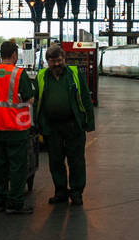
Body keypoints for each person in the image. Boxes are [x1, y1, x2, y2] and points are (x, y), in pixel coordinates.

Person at [35, 43, 96, 206]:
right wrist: (38, 124)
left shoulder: (74, 74)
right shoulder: (42, 76)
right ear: (47, 61)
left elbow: (85, 98)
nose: (56, 64)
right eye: (52, 61)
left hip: (73, 125)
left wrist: (89, 122)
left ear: (64, 59)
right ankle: (60, 191)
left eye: (59, 60)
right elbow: (37, 102)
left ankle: (76, 193)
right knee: (55, 161)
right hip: (52, 127)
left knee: (76, 160)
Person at [0, 40, 36, 214]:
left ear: (1, 54)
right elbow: (29, 98)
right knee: (17, 165)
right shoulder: (18, 73)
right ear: (14, 55)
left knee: (0, 164)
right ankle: (15, 203)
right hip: (17, 126)